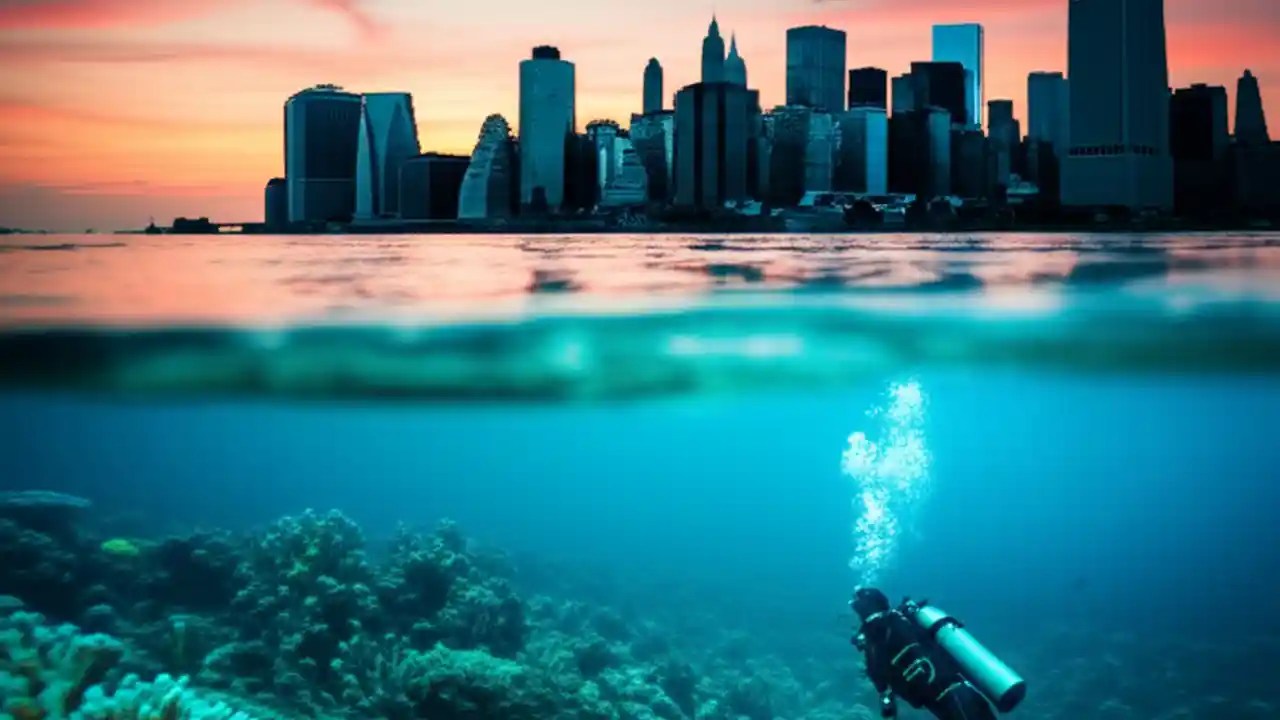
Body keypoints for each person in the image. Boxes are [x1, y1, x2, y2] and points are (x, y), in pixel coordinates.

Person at [850, 587, 997, 719]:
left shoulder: (877, 634)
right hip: (958, 692)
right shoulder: (903, 619)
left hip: (950, 699)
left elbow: (879, 679)